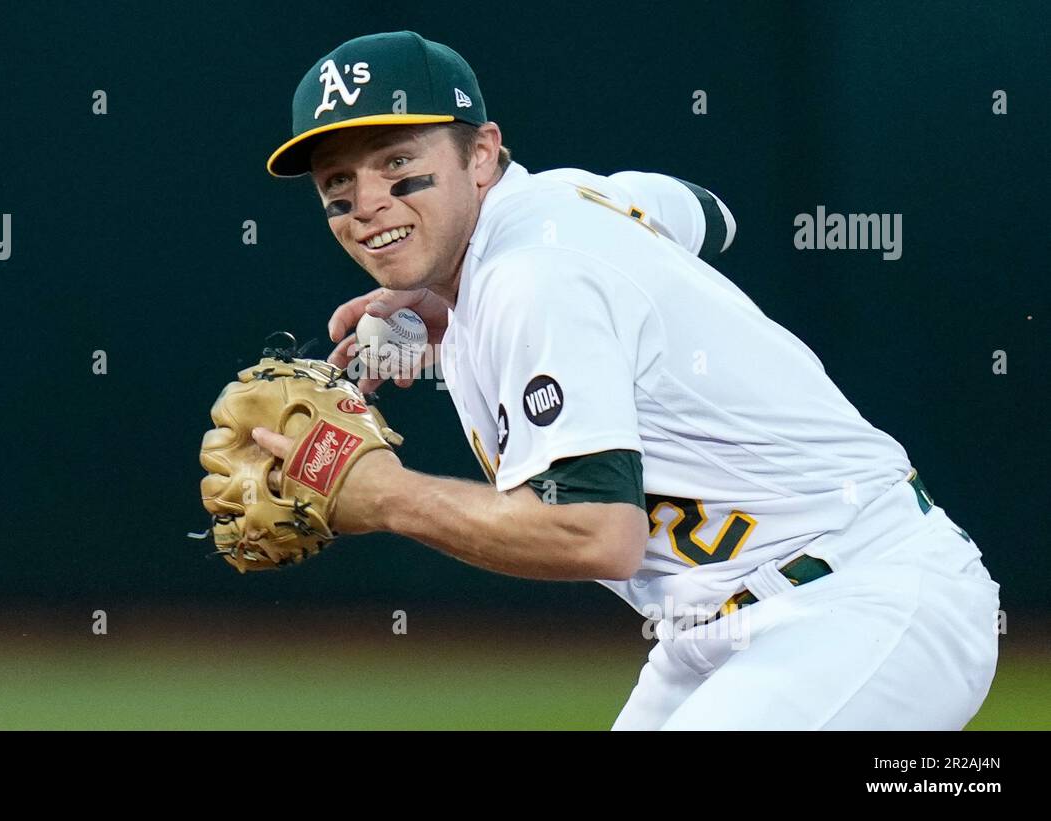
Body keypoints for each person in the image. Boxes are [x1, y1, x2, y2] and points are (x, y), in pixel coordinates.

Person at [253, 30, 1000, 729]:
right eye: (338, 181)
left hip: (862, 599)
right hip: (718, 628)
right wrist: (457, 306)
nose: (368, 201)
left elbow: (598, 536)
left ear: (482, 153)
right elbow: (711, 214)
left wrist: (384, 495)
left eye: (394, 161)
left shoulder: (530, 276)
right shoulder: (568, 202)